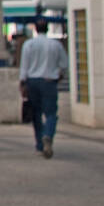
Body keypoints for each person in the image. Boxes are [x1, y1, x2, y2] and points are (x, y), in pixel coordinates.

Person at [19, 19, 68, 158]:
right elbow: (64, 64)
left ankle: (40, 145)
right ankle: (48, 134)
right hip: (49, 82)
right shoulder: (55, 45)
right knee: (51, 113)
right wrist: (58, 75)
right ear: (47, 29)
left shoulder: (29, 45)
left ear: (35, 29)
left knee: (36, 114)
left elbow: (24, 66)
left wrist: (22, 83)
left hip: (32, 82)